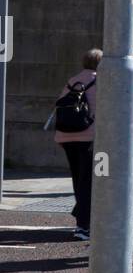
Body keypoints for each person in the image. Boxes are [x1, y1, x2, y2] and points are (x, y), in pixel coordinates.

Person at [53, 48, 101, 241]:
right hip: (91, 139)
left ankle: (82, 215)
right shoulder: (102, 81)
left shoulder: (73, 80)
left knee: (79, 180)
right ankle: (83, 225)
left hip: (67, 138)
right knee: (94, 181)